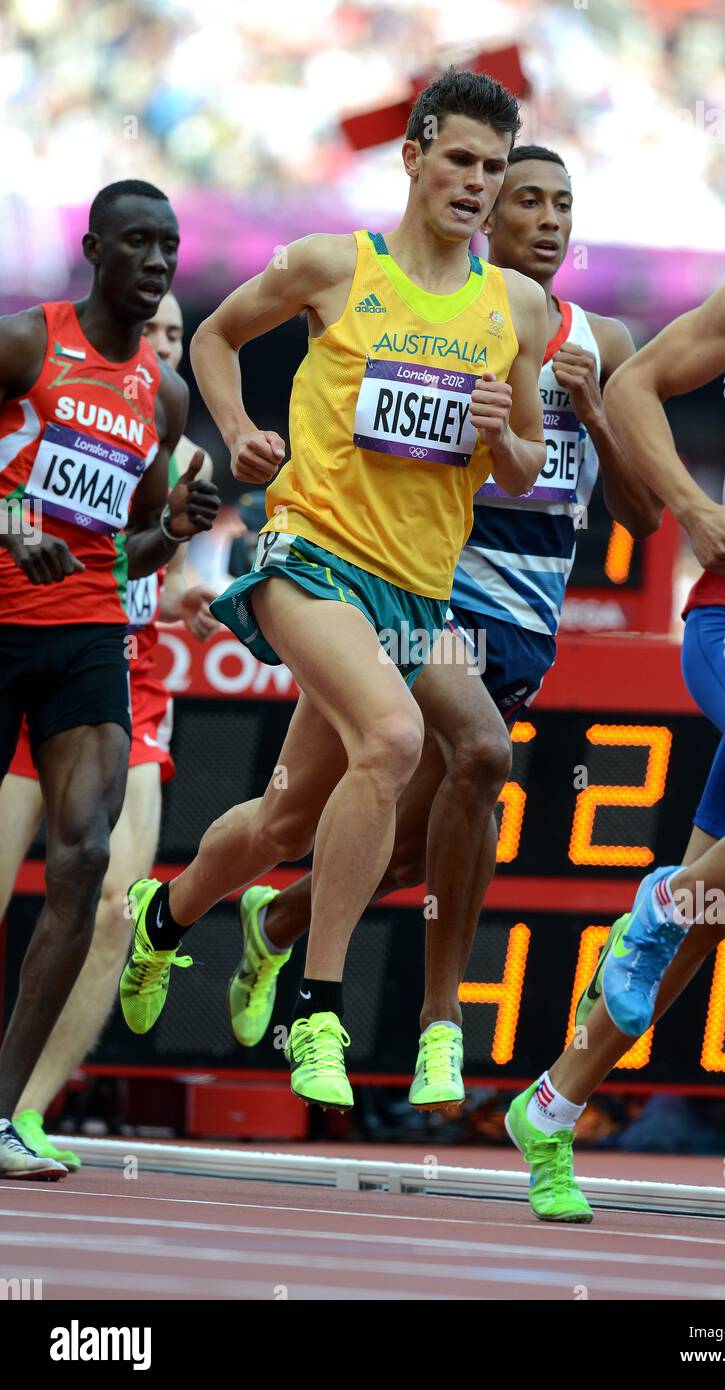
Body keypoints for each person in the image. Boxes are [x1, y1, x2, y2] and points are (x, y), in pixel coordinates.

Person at [118, 69, 550, 1113]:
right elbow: (215, 336)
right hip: (307, 558)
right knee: (398, 742)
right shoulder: (330, 267)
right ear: (412, 157)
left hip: (417, 595)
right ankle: (320, 1003)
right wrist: (239, 431)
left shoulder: (517, 309)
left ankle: (164, 920)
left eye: (495, 169)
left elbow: (528, 468)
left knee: (281, 821)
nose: (477, 184)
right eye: (459, 160)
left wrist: (501, 432)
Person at [225, 144, 661, 1113]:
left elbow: (638, 519)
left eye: (563, 205)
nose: (548, 221)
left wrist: (590, 413)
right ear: (483, 219)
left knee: (415, 842)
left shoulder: (606, 339)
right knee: (479, 754)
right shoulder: (450, 314)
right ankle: (440, 1021)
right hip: (429, 594)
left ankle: (277, 917)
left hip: (526, 624)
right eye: (525, 203)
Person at [504, 127, 725, 1221]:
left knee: (710, 922)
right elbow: (635, 389)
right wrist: (696, 509)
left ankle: (552, 1109)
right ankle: (656, 899)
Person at [0, 179, 219, 1178]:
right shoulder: (26, 344)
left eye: (170, 246)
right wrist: (11, 526)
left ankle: (6, 1113)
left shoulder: (164, 399)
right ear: (94, 249)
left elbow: (124, 552)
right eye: (138, 242)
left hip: (88, 635)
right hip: (2, 614)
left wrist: (169, 532)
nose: (159, 261)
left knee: (84, 865)